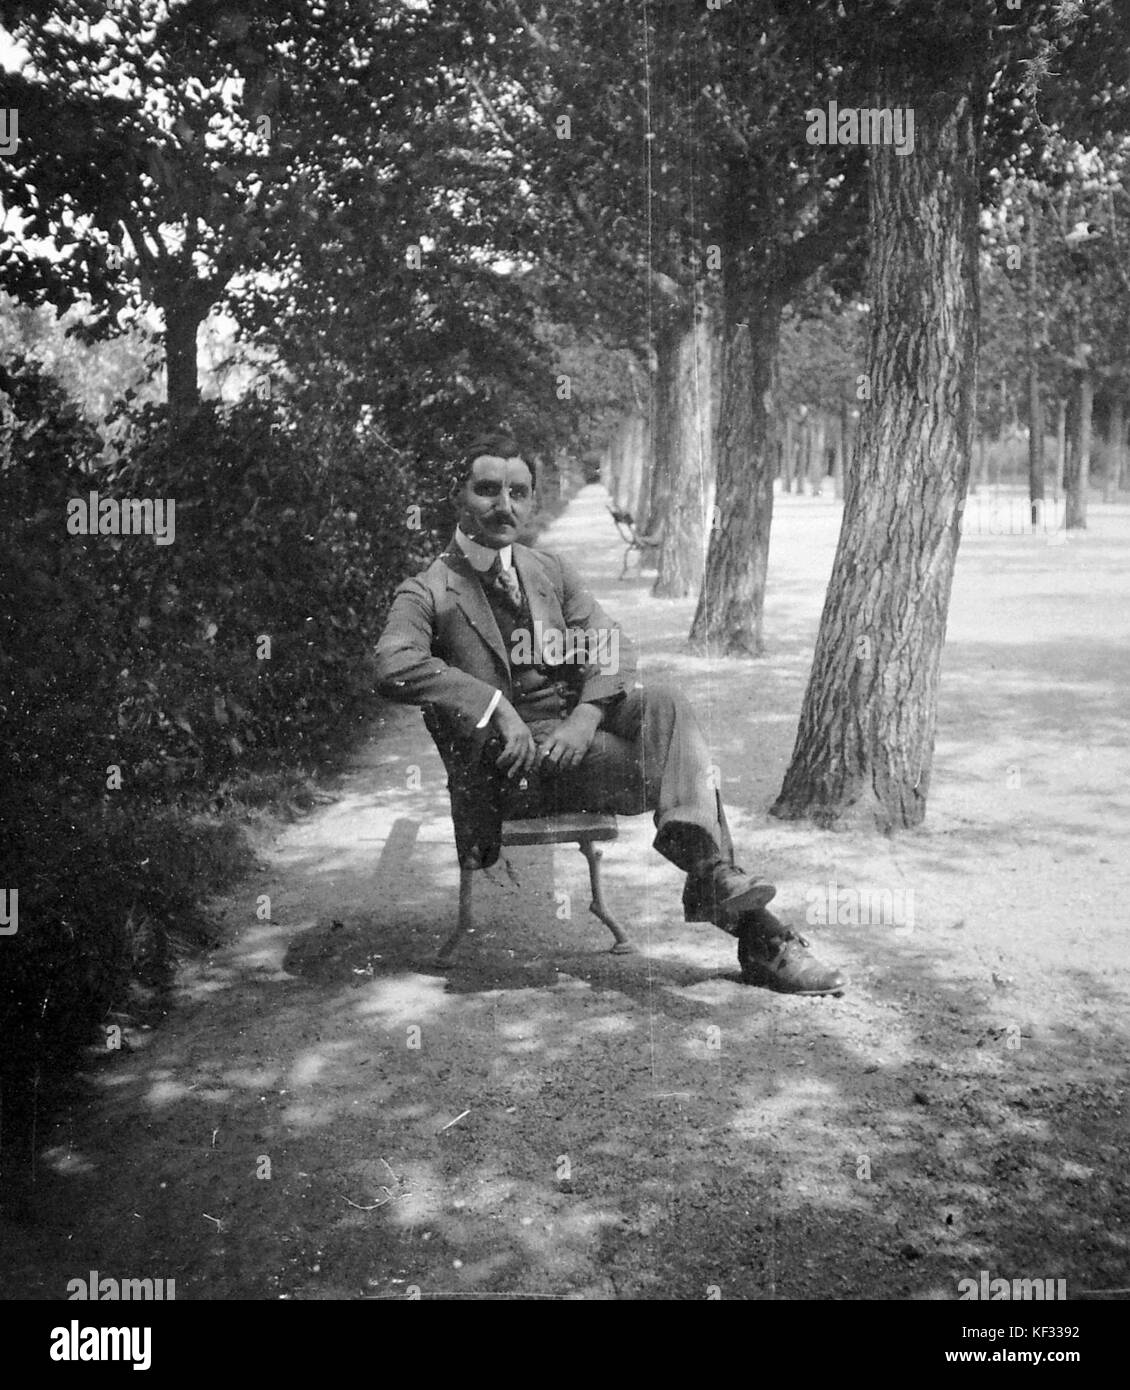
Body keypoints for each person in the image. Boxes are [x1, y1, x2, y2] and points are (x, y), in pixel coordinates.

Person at [374, 432, 846, 996]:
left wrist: (586, 716)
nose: (505, 506)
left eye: (519, 493)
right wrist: (494, 706)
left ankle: (714, 876)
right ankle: (750, 923)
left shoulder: (546, 569)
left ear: (532, 500)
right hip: (509, 773)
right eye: (487, 490)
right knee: (680, 766)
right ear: (458, 496)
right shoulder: (430, 590)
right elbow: (391, 665)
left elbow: (612, 645)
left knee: (666, 702)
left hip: (576, 744)